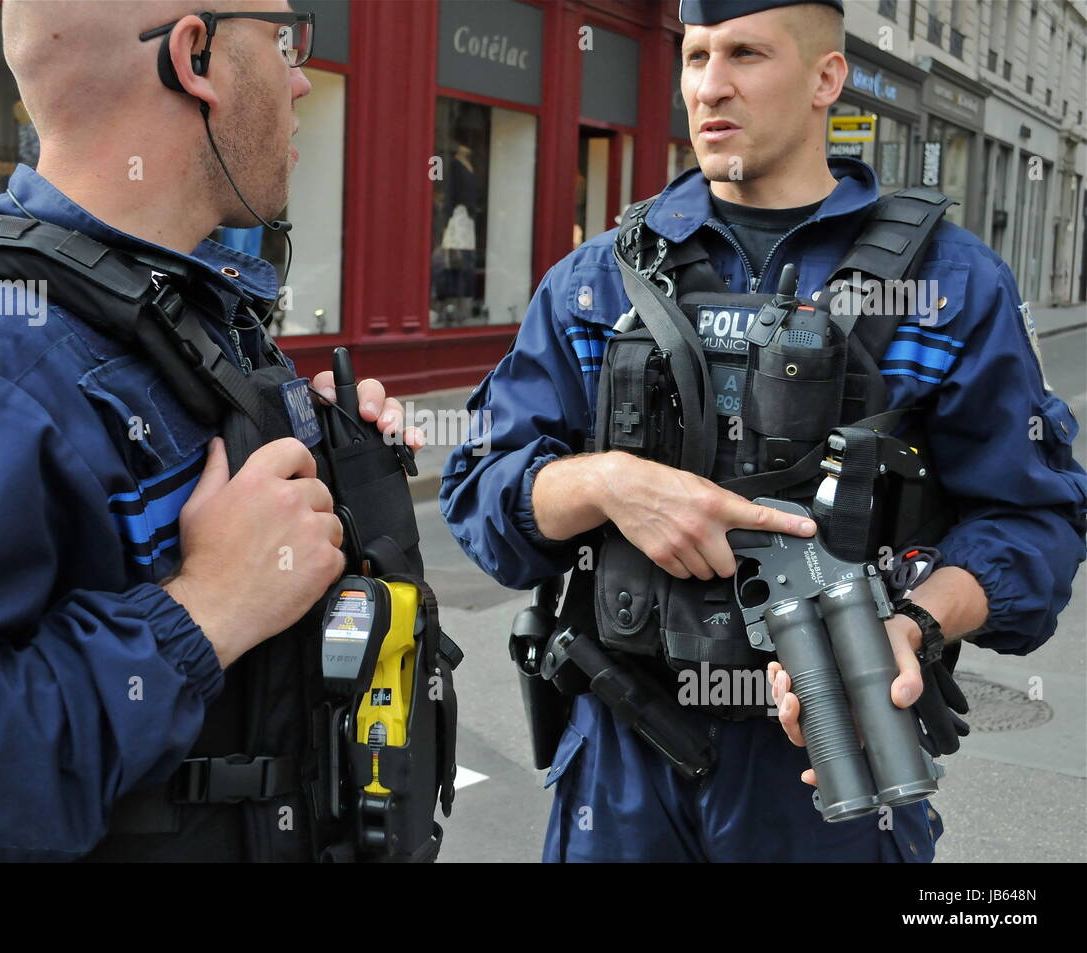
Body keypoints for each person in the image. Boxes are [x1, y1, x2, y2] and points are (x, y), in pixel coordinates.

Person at [440, 0, 1086, 862]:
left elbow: (1035, 522)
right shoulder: (598, 281)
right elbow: (481, 491)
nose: (710, 86)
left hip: (833, 762)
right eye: (696, 55)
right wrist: (606, 484)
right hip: (621, 761)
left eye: (746, 54)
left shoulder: (950, 283)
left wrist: (914, 627)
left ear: (827, 77)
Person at [0, 0, 423, 862]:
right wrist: (202, 611)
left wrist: (320, 454)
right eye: (283, 40)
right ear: (196, 57)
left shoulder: (183, 304)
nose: (301, 75)